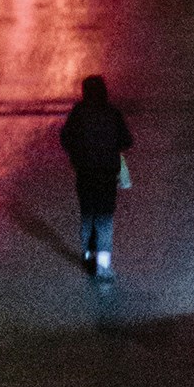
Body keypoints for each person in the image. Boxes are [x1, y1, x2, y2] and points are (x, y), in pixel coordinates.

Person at [59, 72, 133, 279]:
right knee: (104, 218)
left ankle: (87, 254)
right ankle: (103, 265)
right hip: (107, 173)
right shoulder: (113, 113)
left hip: (84, 171)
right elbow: (127, 141)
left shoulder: (78, 113)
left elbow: (65, 138)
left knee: (88, 214)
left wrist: (77, 155)